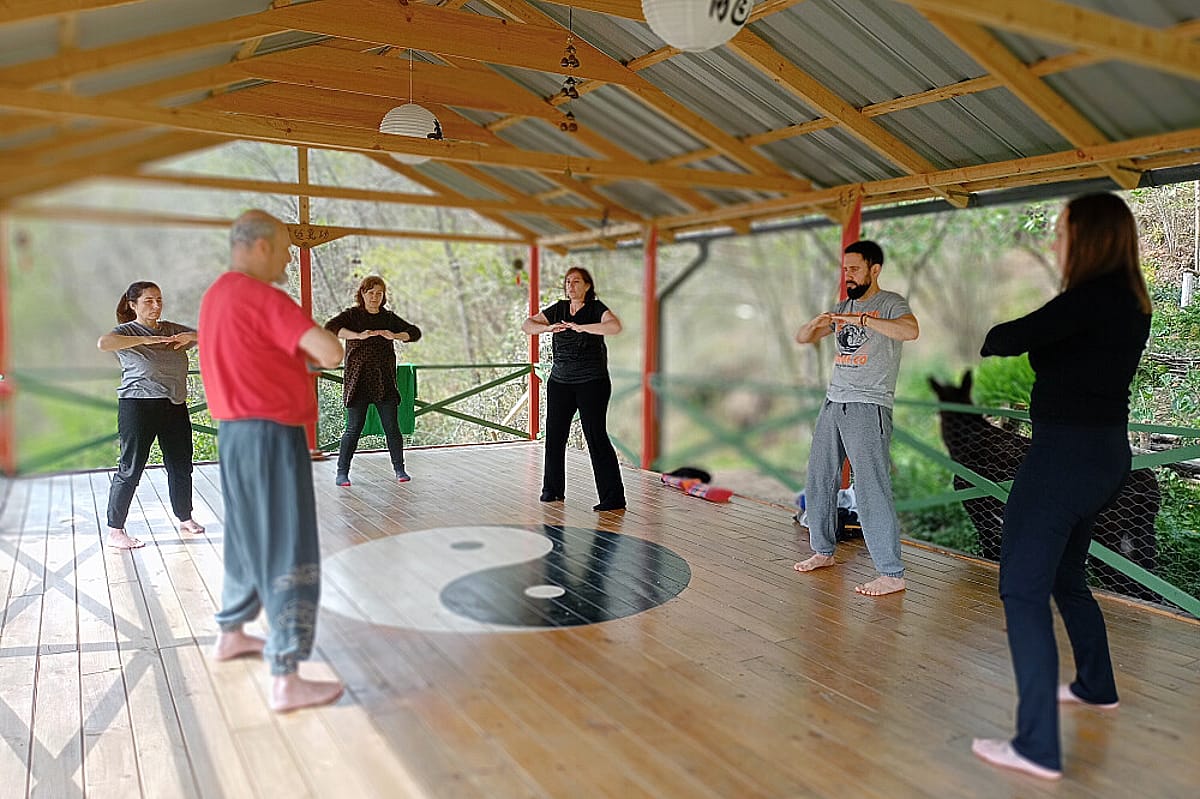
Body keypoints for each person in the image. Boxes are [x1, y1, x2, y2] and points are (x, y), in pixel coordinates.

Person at [971, 193, 1152, 780]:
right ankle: (1097, 685)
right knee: (1068, 578)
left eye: (1062, 231)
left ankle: (1036, 747)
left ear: (1089, 237)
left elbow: (1003, 337)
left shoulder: (1089, 299)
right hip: (1103, 455)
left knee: (1022, 589)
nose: (1054, 240)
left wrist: (1014, 328)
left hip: (1062, 456)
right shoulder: (1129, 302)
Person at [198, 210, 346, 713]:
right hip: (270, 434)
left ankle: (232, 632)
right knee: (286, 543)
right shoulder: (263, 297)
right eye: (285, 248)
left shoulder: (215, 295)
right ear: (260, 246)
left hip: (233, 435)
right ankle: (285, 673)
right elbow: (331, 352)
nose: (289, 258)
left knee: (245, 537)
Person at [792, 240, 919, 596]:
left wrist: (862, 319)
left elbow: (911, 331)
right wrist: (819, 322)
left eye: (854, 269)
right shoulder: (841, 305)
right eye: (844, 269)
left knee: (870, 486)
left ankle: (892, 573)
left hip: (869, 405)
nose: (847, 275)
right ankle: (822, 550)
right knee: (819, 476)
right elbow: (803, 337)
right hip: (834, 402)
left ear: (874, 270)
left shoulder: (890, 303)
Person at [98, 282, 204, 550]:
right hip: (138, 406)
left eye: (158, 300)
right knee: (131, 467)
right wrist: (145, 339)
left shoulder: (171, 329)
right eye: (148, 301)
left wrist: (190, 338)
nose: (156, 306)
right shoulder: (126, 331)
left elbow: (211, 335)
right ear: (132, 305)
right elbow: (104, 343)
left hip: (173, 404)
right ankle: (115, 530)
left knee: (181, 465)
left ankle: (185, 516)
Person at [522, 266, 626, 512]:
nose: (571, 286)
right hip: (560, 382)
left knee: (596, 437)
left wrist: (584, 327)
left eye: (576, 282)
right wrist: (548, 328)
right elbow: (528, 325)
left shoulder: (596, 308)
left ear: (587, 285)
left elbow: (615, 327)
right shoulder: (558, 308)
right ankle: (552, 491)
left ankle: (613, 498)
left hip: (592, 383)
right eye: (568, 282)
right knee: (554, 437)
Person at [324, 276, 422, 487]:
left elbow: (414, 333)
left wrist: (394, 335)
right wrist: (358, 336)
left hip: (384, 380)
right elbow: (331, 327)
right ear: (363, 294)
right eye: (371, 293)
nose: (375, 297)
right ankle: (342, 472)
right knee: (353, 428)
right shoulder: (353, 315)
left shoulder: (388, 317)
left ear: (383, 296)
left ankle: (399, 469)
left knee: (392, 428)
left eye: (379, 293)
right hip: (358, 380)